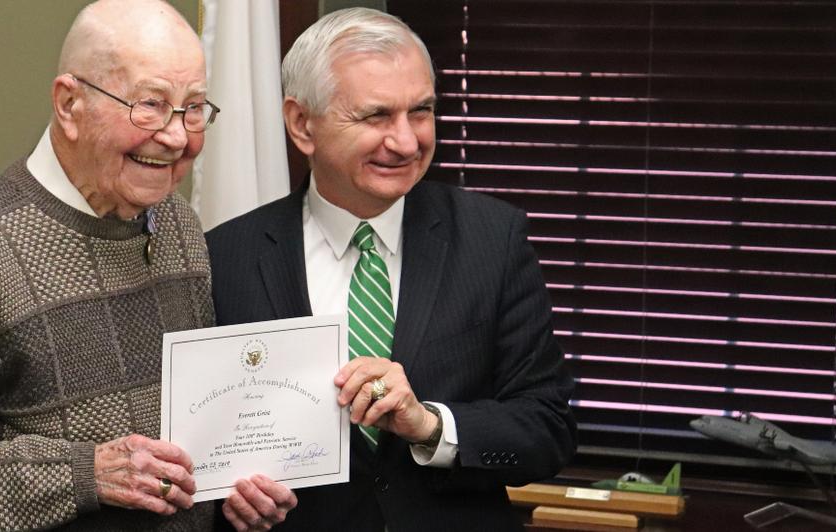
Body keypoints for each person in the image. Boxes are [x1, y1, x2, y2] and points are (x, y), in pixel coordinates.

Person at [0, 1, 294, 530]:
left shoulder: (181, 225)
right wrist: (85, 474)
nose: (179, 137)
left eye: (193, 108)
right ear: (69, 104)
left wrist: (231, 494)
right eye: (151, 105)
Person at [206, 8, 577, 531]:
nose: (406, 142)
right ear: (301, 123)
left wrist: (430, 426)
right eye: (376, 116)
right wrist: (231, 499)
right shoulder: (225, 257)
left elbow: (549, 429)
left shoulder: (493, 240)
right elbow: (202, 443)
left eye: (420, 111)